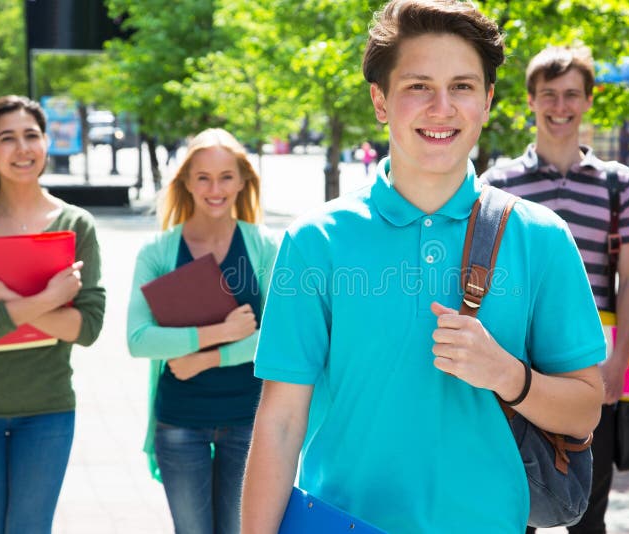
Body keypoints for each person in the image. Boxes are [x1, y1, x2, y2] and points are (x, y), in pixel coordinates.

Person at [240, 2, 605, 532]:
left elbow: (585, 410)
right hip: (341, 524)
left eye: (461, 86)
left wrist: (506, 374)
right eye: (417, 87)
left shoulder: (542, 238)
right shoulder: (315, 241)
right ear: (380, 101)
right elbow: (280, 422)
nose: (441, 107)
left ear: (487, 101)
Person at [480, 45, 629, 534]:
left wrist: (619, 364)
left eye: (572, 94)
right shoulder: (498, 185)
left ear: (589, 101)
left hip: (592, 370)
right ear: (530, 100)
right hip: (517, 369)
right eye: (549, 94)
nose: (560, 106)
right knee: (514, 510)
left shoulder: (620, 184)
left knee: (588, 513)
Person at [127, 128, 279, 534]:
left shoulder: (264, 246)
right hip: (179, 423)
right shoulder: (158, 252)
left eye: (226, 176)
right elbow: (139, 339)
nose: (216, 188)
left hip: (248, 420)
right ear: (186, 183)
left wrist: (206, 359)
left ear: (243, 180)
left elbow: (279, 336)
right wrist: (218, 333)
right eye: (204, 178)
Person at [0, 95, 106, 533]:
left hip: (47, 411)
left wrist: (3, 301)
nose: (23, 149)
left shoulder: (75, 225)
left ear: (47, 142)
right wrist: (47, 299)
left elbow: (86, 328)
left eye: (32, 136)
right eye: (7, 138)